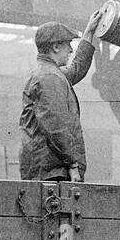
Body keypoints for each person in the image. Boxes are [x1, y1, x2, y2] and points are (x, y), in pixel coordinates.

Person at [18, 14, 101, 181]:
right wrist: (73, 164)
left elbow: (76, 69)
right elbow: (56, 126)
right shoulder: (50, 77)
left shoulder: (49, 73)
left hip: (46, 169)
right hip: (52, 172)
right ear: (56, 47)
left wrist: (89, 33)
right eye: (68, 45)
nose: (71, 50)